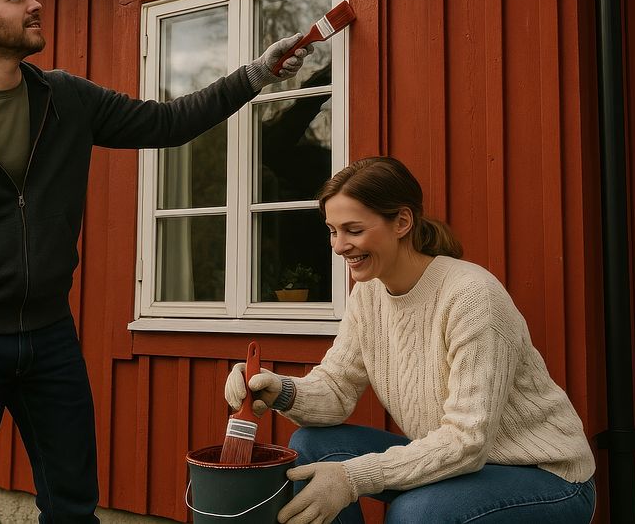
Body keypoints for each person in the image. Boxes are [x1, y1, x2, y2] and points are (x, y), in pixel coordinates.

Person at [0, 0, 313, 524]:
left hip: (49, 337)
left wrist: (256, 76)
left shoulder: (64, 99)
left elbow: (165, 122)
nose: (36, 2)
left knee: (73, 505)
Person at [225, 156, 596, 523]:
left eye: (353, 230)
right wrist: (280, 391)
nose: (338, 247)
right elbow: (337, 390)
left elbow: (468, 440)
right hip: (462, 461)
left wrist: (353, 477)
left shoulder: (471, 296)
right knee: (312, 447)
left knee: (416, 513)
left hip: (545, 475)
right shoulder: (369, 295)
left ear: (402, 221)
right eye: (332, 231)